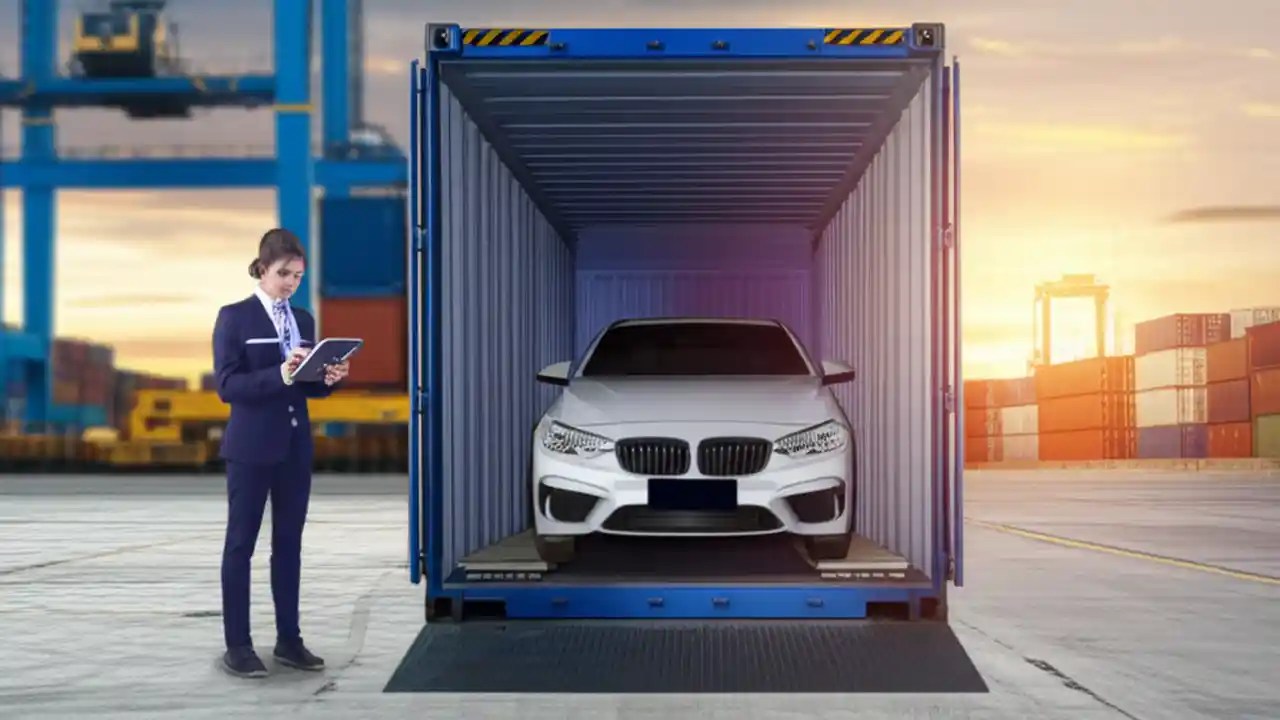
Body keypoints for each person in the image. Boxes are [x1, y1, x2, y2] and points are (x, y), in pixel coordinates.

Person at [211, 228, 350, 679]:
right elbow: (228, 387)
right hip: (250, 449)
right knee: (240, 546)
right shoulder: (234, 318)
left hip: (294, 449)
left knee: (288, 546)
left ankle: (289, 640)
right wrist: (281, 375)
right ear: (262, 268)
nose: (291, 282)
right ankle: (239, 646)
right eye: (284, 273)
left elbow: (306, 387)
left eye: (298, 275)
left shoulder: (304, 321)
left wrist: (328, 378)